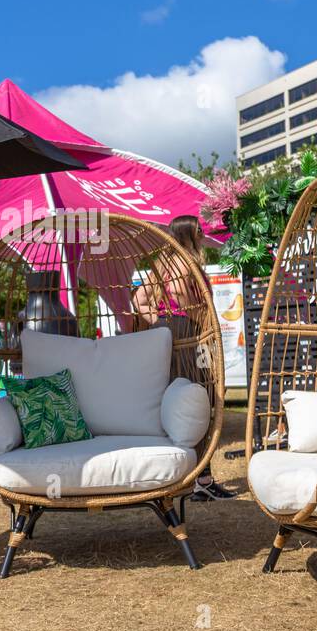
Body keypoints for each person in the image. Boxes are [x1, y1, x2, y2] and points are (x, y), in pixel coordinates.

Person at [133, 215, 234, 502]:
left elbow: (138, 299)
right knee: (200, 398)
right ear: (189, 233)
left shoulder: (163, 261)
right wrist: (189, 318)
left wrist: (159, 323)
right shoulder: (183, 262)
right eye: (199, 228)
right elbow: (179, 292)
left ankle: (184, 476)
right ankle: (201, 478)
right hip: (191, 336)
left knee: (176, 399)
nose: (203, 232)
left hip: (174, 334)